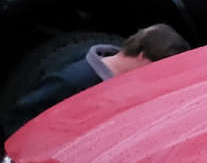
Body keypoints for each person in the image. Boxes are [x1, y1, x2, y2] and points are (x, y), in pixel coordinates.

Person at [2, 24, 190, 138]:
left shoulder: (126, 80)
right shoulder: (73, 80)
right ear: (142, 55)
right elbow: (19, 118)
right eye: (157, 71)